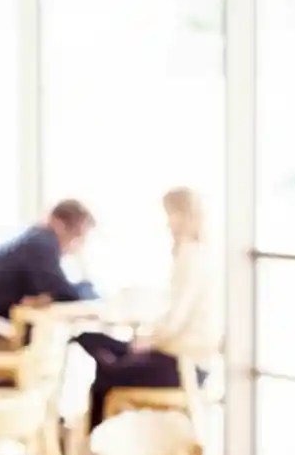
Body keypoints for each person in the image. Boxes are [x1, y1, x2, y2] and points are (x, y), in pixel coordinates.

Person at [73, 187, 221, 436]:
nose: (166, 223)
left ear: (185, 216)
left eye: (170, 214)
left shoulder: (190, 257)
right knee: (96, 347)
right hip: (187, 361)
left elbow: (175, 321)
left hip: (183, 366)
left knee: (104, 370)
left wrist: (149, 339)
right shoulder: (197, 255)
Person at [0, 198, 98, 329]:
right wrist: (85, 286)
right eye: (78, 235)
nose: (77, 244)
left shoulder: (35, 239)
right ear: (59, 224)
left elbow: (51, 290)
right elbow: (62, 291)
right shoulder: (41, 242)